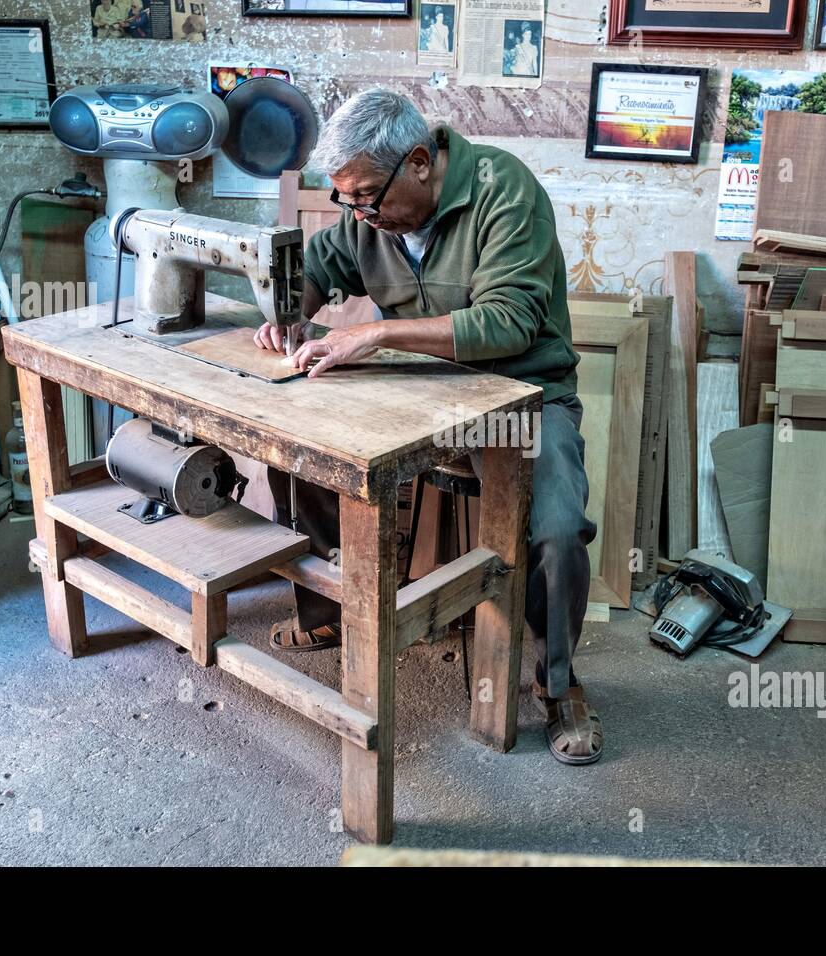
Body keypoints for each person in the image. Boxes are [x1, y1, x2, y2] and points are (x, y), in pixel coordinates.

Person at [252, 89, 603, 765]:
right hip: (418, 390)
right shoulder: (370, 216)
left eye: (365, 199)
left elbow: (509, 322)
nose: (358, 214)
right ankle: (328, 615)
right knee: (297, 450)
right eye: (346, 201)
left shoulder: (505, 192)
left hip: (521, 394)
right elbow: (319, 269)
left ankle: (556, 681)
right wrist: (286, 306)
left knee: (557, 531)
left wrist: (376, 334)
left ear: (418, 162)